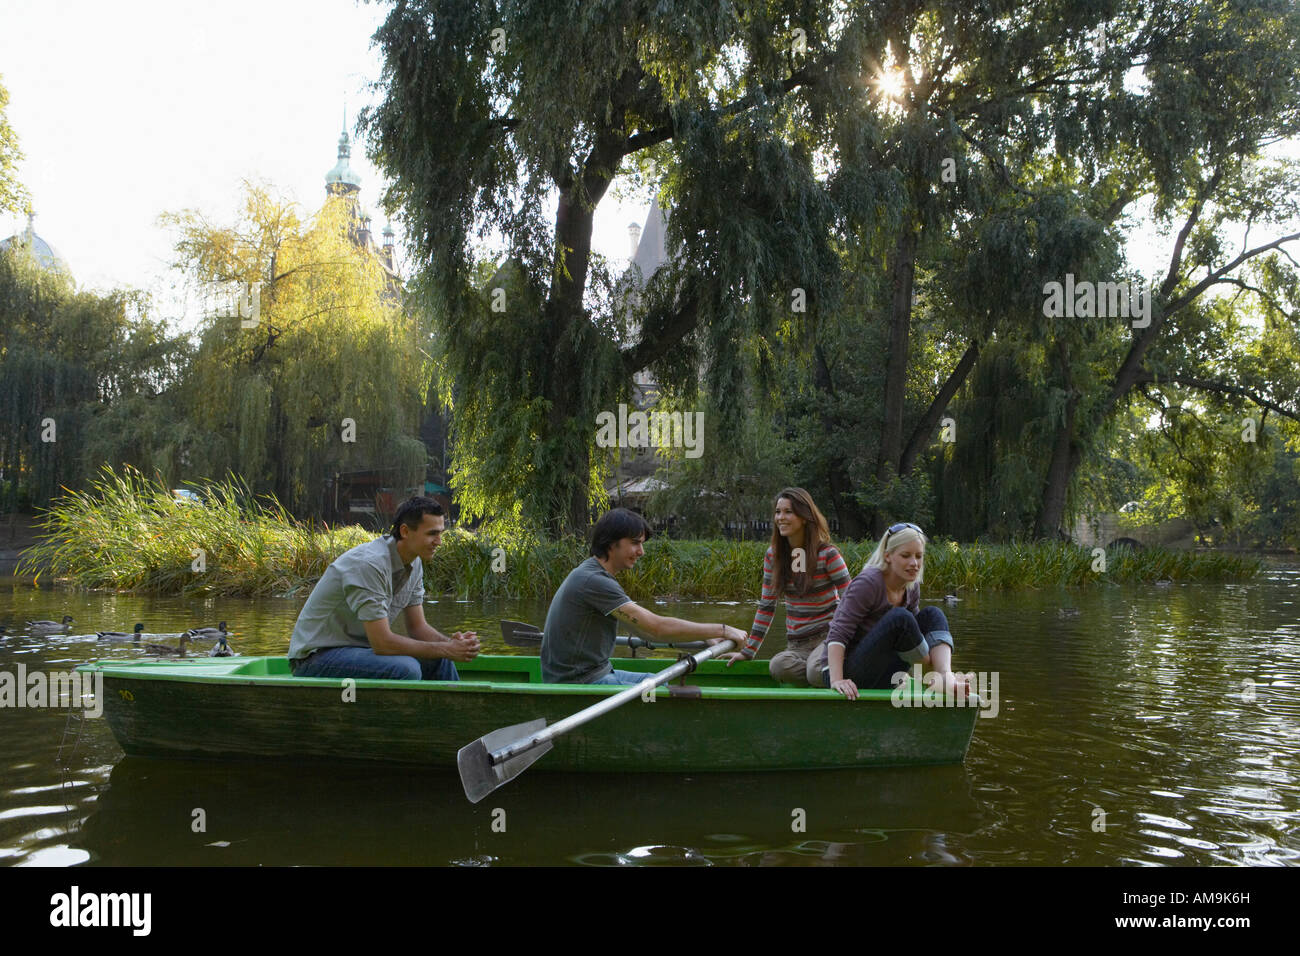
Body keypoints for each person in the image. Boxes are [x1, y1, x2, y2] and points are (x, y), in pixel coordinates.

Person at [541, 508, 747, 684]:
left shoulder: (593, 573)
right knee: (659, 692)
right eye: (634, 543)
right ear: (611, 543)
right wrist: (723, 629)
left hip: (595, 672)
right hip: (579, 681)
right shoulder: (594, 581)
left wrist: (704, 634)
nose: (641, 552)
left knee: (657, 682)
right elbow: (655, 628)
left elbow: (642, 631)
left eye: (642, 544)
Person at [287, 496, 480, 679]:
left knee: (440, 661)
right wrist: (446, 649)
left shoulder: (414, 563)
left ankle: (452, 712)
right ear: (405, 531)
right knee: (407, 669)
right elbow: (382, 643)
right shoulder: (370, 564)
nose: (439, 542)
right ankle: (392, 714)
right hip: (315, 658)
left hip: (360, 652)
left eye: (440, 534)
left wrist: (453, 645)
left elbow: (418, 628)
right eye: (432, 534)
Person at [814, 521, 968, 699]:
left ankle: (944, 675)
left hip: (883, 667)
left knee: (933, 614)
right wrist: (836, 681)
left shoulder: (912, 585)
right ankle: (929, 674)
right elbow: (837, 634)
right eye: (906, 556)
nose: (914, 563)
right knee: (899, 618)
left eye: (919, 556)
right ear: (888, 556)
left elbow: (913, 635)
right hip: (846, 671)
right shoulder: (868, 583)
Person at [720, 488, 851, 685]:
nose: (781, 517)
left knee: (815, 671)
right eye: (778, 512)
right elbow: (767, 606)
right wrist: (748, 651)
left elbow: (851, 600)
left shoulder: (827, 554)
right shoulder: (773, 556)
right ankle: (824, 673)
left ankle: (829, 669)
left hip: (828, 638)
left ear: (805, 517)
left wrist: (852, 640)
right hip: (797, 645)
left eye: (788, 512)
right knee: (778, 666)